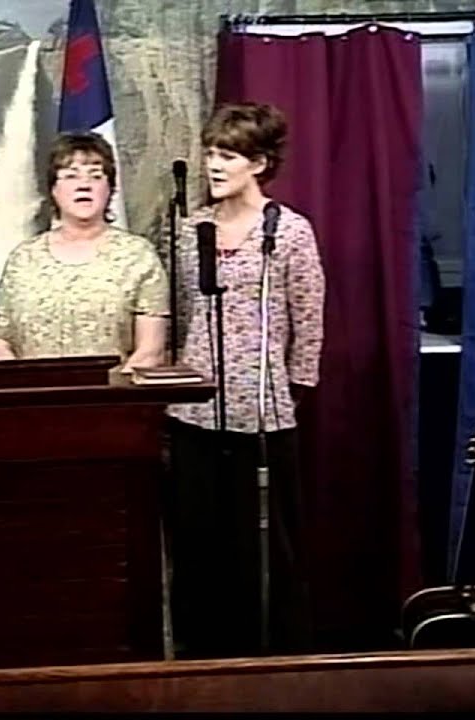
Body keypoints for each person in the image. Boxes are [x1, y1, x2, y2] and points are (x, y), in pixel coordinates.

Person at [166, 102, 326, 658]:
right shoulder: (191, 230)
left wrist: (292, 390)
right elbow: (182, 314)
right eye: (211, 153)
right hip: (193, 412)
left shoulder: (289, 231)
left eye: (228, 155)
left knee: (264, 543)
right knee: (198, 542)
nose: (214, 165)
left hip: (262, 412)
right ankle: (200, 656)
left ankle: (272, 655)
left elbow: (308, 319)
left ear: (258, 163)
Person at [0, 132, 168, 369]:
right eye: (71, 176)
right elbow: (0, 341)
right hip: (31, 391)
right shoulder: (23, 259)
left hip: (115, 391)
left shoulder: (138, 256)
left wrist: (112, 388)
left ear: (110, 189)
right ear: (53, 190)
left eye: (96, 176)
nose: (84, 185)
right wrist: (22, 385)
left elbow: (151, 351)